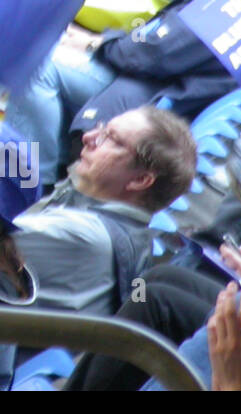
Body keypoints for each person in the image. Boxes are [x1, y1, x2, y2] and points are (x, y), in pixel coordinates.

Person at [6, 0, 241, 186]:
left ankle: (24, 187)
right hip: (136, 80)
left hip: (150, 102)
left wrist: (95, 43)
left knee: (37, 66)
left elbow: (153, 51)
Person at [13, 106, 197, 315]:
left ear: (140, 180)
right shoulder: (126, 231)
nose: (88, 137)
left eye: (111, 139)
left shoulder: (86, 235)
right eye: (100, 129)